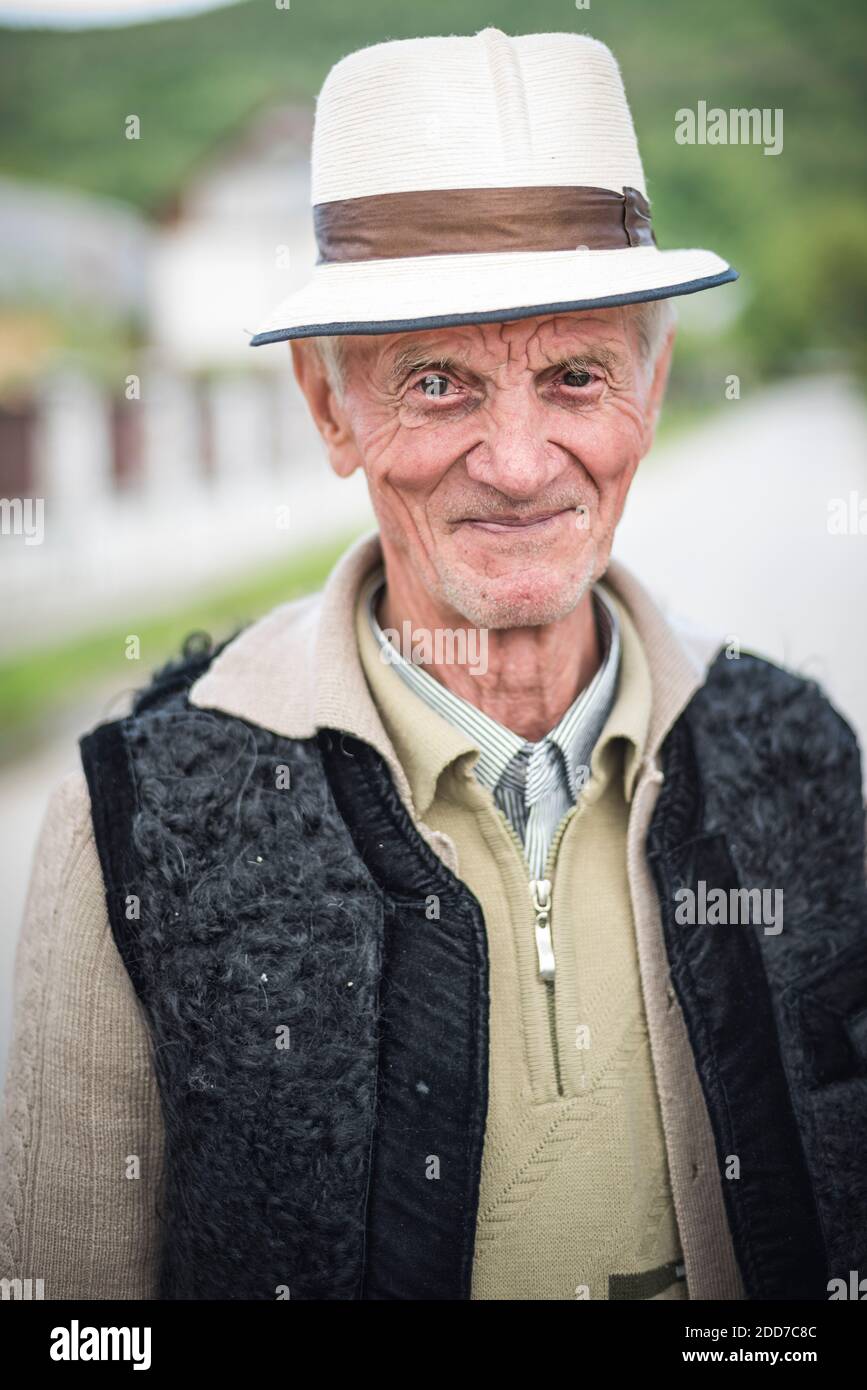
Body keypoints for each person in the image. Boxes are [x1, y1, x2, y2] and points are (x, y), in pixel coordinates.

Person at [1, 27, 864, 1302]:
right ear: (328, 402)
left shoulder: (803, 758)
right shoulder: (132, 814)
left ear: (655, 378)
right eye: (440, 382)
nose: (519, 463)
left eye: (576, 374)